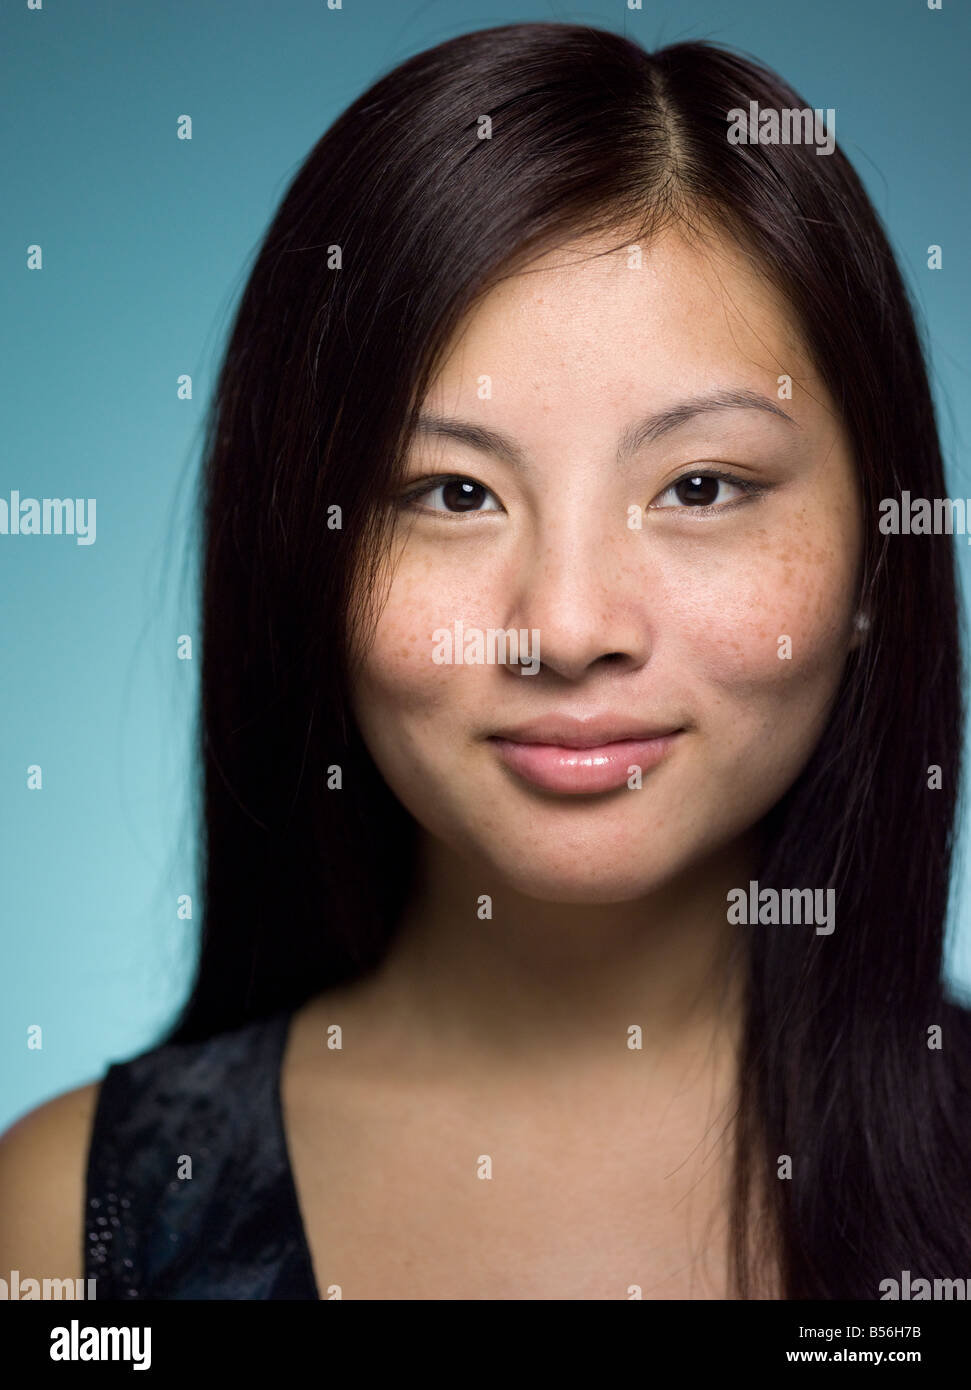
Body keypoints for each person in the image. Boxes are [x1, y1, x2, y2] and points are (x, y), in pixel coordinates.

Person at [2, 22, 970, 1301]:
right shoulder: (75, 1227)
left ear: (873, 558)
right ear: (306, 556)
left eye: (698, 484)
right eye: (451, 493)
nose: (565, 628)